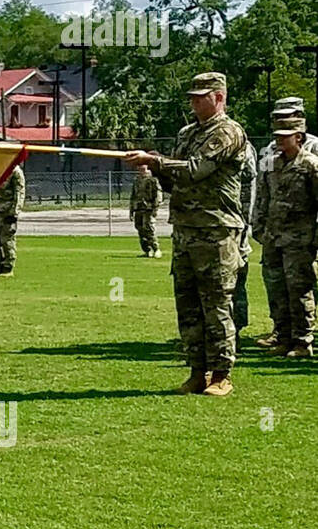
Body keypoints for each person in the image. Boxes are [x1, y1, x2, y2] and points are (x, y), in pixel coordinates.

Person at [124, 72, 247, 397]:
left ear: (218, 97)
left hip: (217, 230)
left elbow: (195, 169)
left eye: (200, 96)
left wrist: (157, 160)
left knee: (217, 303)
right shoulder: (187, 133)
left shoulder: (228, 132)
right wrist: (154, 168)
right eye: (191, 96)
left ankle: (222, 374)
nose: (193, 102)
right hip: (185, 230)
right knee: (188, 304)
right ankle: (197, 371)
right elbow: (174, 179)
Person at [254, 99, 318, 348]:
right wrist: (258, 227)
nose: (279, 140)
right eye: (277, 135)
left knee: (299, 290)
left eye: (286, 135)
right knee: (276, 289)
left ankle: (303, 341)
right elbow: (263, 197)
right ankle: (282, 336)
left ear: (299, 137)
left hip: (299, 240)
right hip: (273, 237)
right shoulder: (271, 162)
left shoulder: (311, 165)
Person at [232, 139, 258, 340]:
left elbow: (248, 180)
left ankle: (235, 330)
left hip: (236, 227)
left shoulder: (242, 145)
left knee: (235, 280)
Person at [129, 163, 162, 258]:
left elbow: (158, 195)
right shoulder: (136, 180)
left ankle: (156, 248)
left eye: (143, 166)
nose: (141, 168)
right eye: (139, 166)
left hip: (149, 208)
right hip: (138, 208)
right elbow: (133, 195)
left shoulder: (153, 180)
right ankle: (147, 250)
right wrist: (131, 210)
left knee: (149, 228)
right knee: (140, 229)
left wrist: (155, 208)